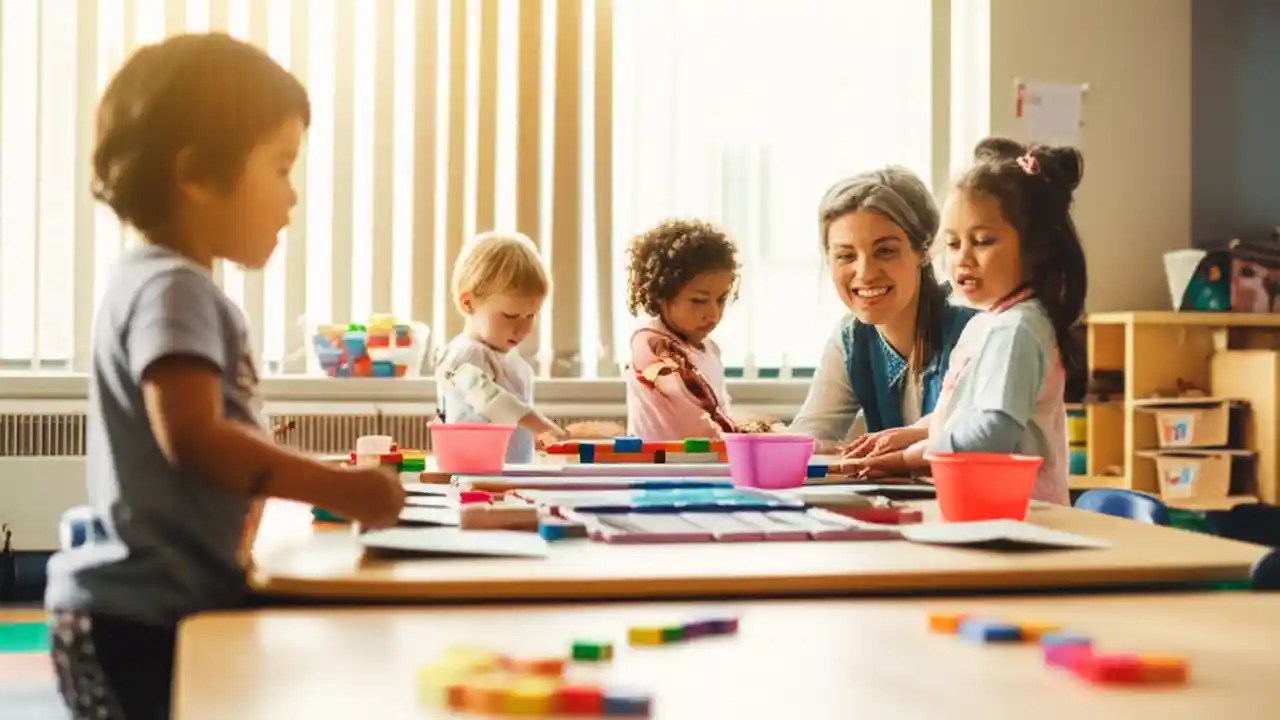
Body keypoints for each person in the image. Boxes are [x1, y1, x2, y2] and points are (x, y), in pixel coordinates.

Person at [44, 34, 405, 719]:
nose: (292, 198)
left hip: (149, 607)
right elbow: (195, 439)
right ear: (198, 174)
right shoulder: (172, 287)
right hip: (139, 617)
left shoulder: (156, 280)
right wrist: (338, 488)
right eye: (280, 167)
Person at [852, 138, 1088, 504]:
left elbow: (991, 434)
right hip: (989, 512)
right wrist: (909, 433)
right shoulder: (990, 322)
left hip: (1022, 519)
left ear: (1036, 248)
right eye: (952, 243)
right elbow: (964, 412)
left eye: (982, 241)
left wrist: (911, 458)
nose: (963, 258)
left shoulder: (1017, 329)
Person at [791, 167, 976, 454]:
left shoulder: (974, 331)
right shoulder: (851, 340)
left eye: (885, 251)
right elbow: (810, 435)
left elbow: (964, 426)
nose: (864, 273)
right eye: (845, 255)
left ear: (924, 249)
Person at [435, 231, 565, 461]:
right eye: (510, 315)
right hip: (474, 475)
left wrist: (536, 436)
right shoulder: (464, 355)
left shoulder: (510, 359)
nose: (523, 328)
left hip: (508, 474)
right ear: (469, 303)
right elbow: (490, 400)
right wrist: (542, 427)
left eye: (531, 315)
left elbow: (513, 421)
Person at [624, 219, 740, 440]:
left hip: (701, 464)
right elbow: (684, 401)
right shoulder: (651, 344)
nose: (713, 313)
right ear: (662, 296)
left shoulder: (710, 349)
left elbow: (720, 411)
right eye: (698, 301)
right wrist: (731, 436)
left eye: (721, 299)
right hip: (658, 467)